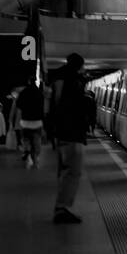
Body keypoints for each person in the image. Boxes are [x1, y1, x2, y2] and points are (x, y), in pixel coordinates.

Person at [47, 53, 92, 224]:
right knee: (73, 172)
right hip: (73, 133)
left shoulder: (58, 78)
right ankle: (62, 208)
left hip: (62, 132)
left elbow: (54, 105)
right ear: (79, 66)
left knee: (65, 170)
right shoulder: (73, 81)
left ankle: (61, 207)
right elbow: (74, 106)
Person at [11, 81, 46, 169]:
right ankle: (35, 158)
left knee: (26, 139)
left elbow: (18, 104)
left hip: (25, 122)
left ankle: (27, 150)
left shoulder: (23, 92)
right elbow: (43, 107)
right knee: (36, 141)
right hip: (37, 122)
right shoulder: (39, 93)